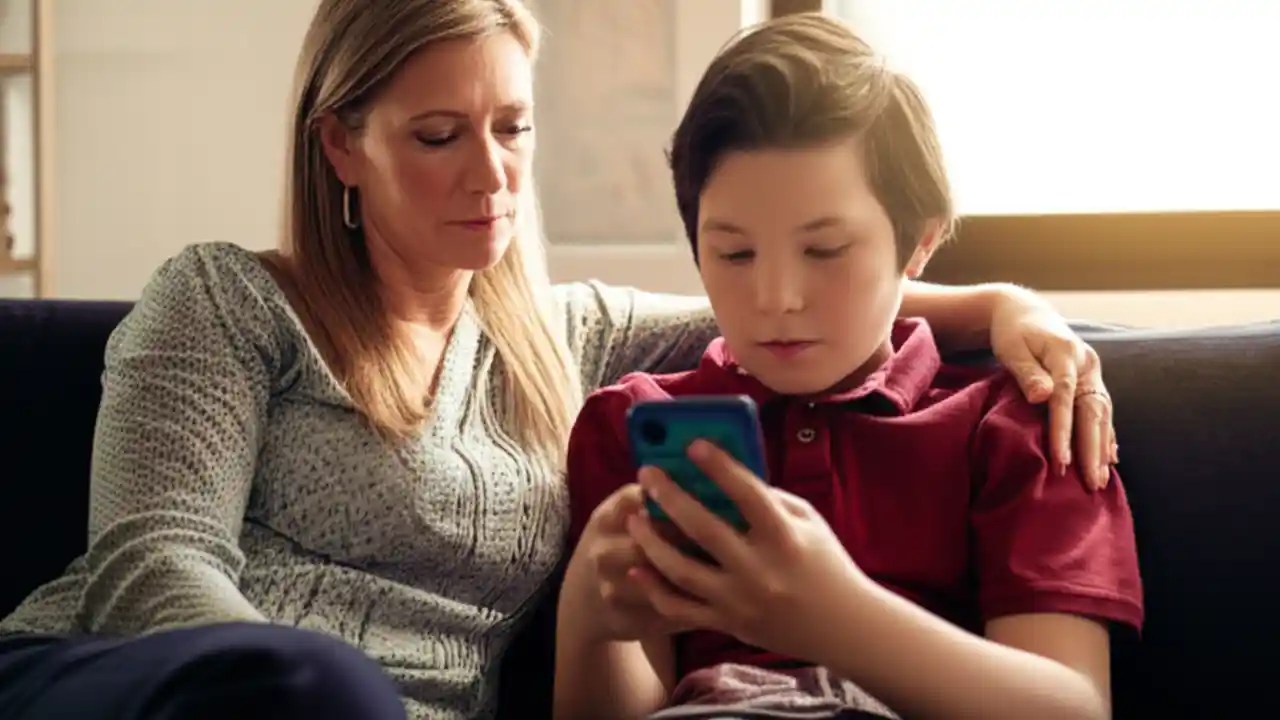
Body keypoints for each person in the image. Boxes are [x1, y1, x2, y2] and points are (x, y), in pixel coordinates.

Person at [0, 2, 1118, 719]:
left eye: (513, 128)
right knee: (314, 687)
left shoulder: (561, 334)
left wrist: (1004, 302)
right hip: (140, 686)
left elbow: (782, 301)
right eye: (438, 136)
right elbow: (150, 567)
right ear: (342, 142)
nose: (489, 175)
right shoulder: (225, 297)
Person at [554, 13, 1141, 720]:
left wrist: (835, 618)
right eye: (734, 254)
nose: (775, 300)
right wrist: (588, 617)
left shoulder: (1021, 422)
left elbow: (1075, 708)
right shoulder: (636, 423)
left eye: (825, 250)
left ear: (918, 245)